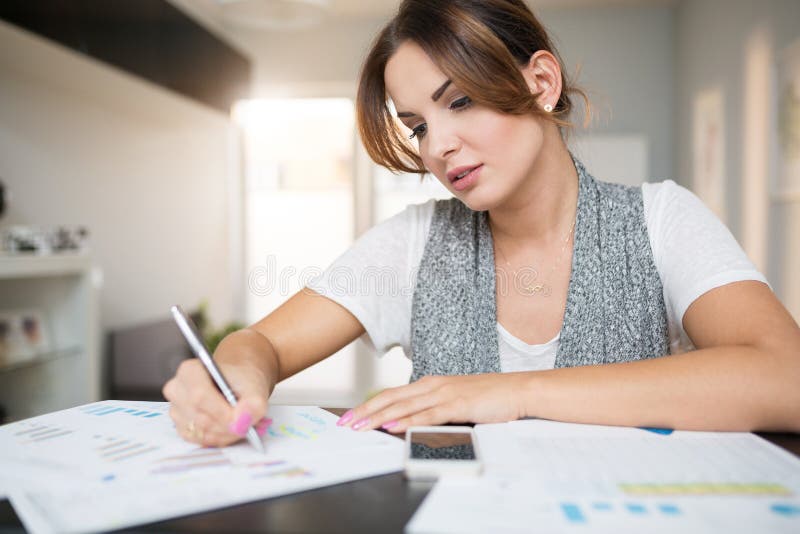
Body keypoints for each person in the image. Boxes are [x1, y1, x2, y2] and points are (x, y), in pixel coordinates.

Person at [163, 0, 800, 447]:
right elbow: (262, 344)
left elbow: (786, 379)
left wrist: (513, 393)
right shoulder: (413, 242)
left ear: (541, 82)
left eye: (460, 101)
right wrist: (236, 379)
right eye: (417, 125)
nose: (438, 146)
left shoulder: (661, 220)